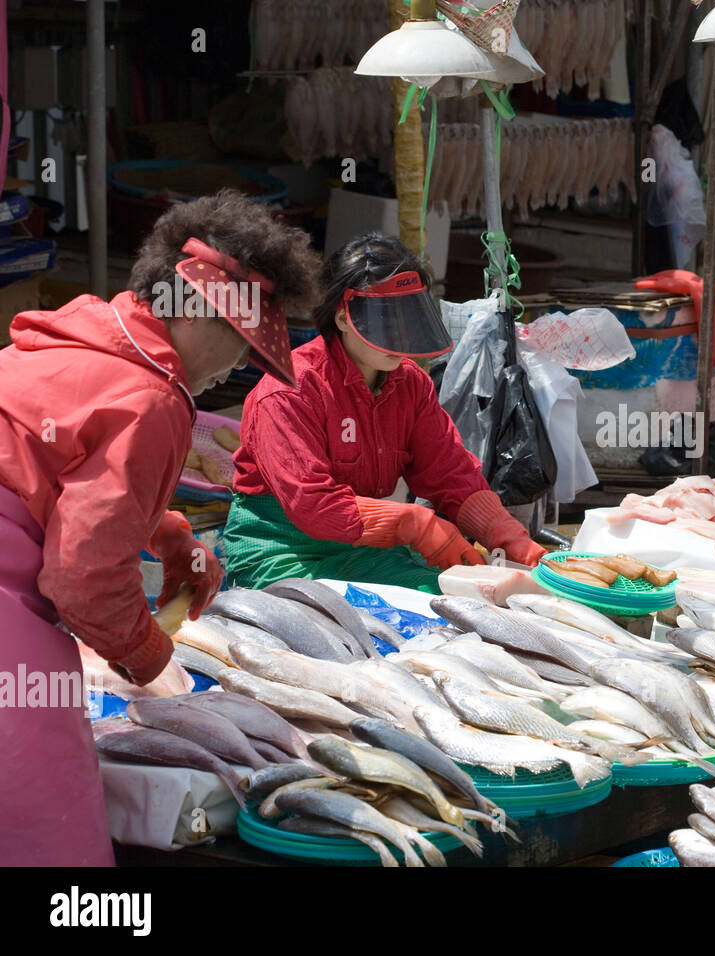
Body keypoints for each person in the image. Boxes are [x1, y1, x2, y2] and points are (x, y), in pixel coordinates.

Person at [0, 190, 320, 865]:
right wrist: (150, 658)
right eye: (242, 342)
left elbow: (65, 470)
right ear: (199, 311)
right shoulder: (151, 397)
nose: (239, 365)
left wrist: (167, 533)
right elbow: (83, 579)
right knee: (47, 820)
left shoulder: (88, 330)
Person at [222, 233, 545, 591]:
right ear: (343, 317)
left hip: (360, 547)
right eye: (385, 320)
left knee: (456, 595)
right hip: (278, 553)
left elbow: (450, 474)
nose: (400, 336)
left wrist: (507, 535)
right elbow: (312, 505)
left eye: (408, 318)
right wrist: (414, 524)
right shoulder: (289, 389)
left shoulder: (412, 384)